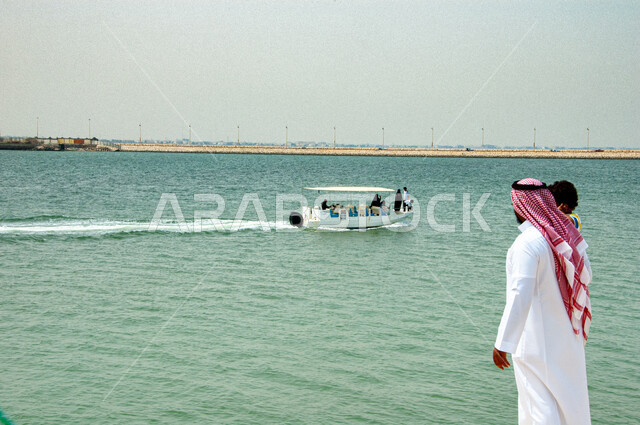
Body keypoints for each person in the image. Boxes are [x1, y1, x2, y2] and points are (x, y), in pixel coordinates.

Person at [493, 178, 593, 425]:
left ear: (522, 205)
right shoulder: (565, 236)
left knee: (538, 406)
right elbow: (586, 275)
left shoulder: (527, 243)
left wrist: (503, 342)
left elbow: (520, 292)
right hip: (569, 337)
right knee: (570, 404)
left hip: (536, 341)